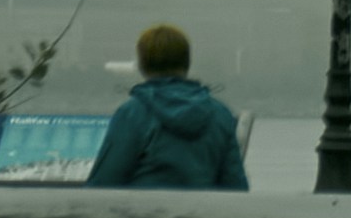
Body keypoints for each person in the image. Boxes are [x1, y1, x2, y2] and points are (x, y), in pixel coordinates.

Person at [87, 26, 248, 190]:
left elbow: (103, 183)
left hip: (144, 214)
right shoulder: (220, 114)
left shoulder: (132, 113)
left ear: (142, 64)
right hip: (201, 214)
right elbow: (236, 188)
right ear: (187, 62)